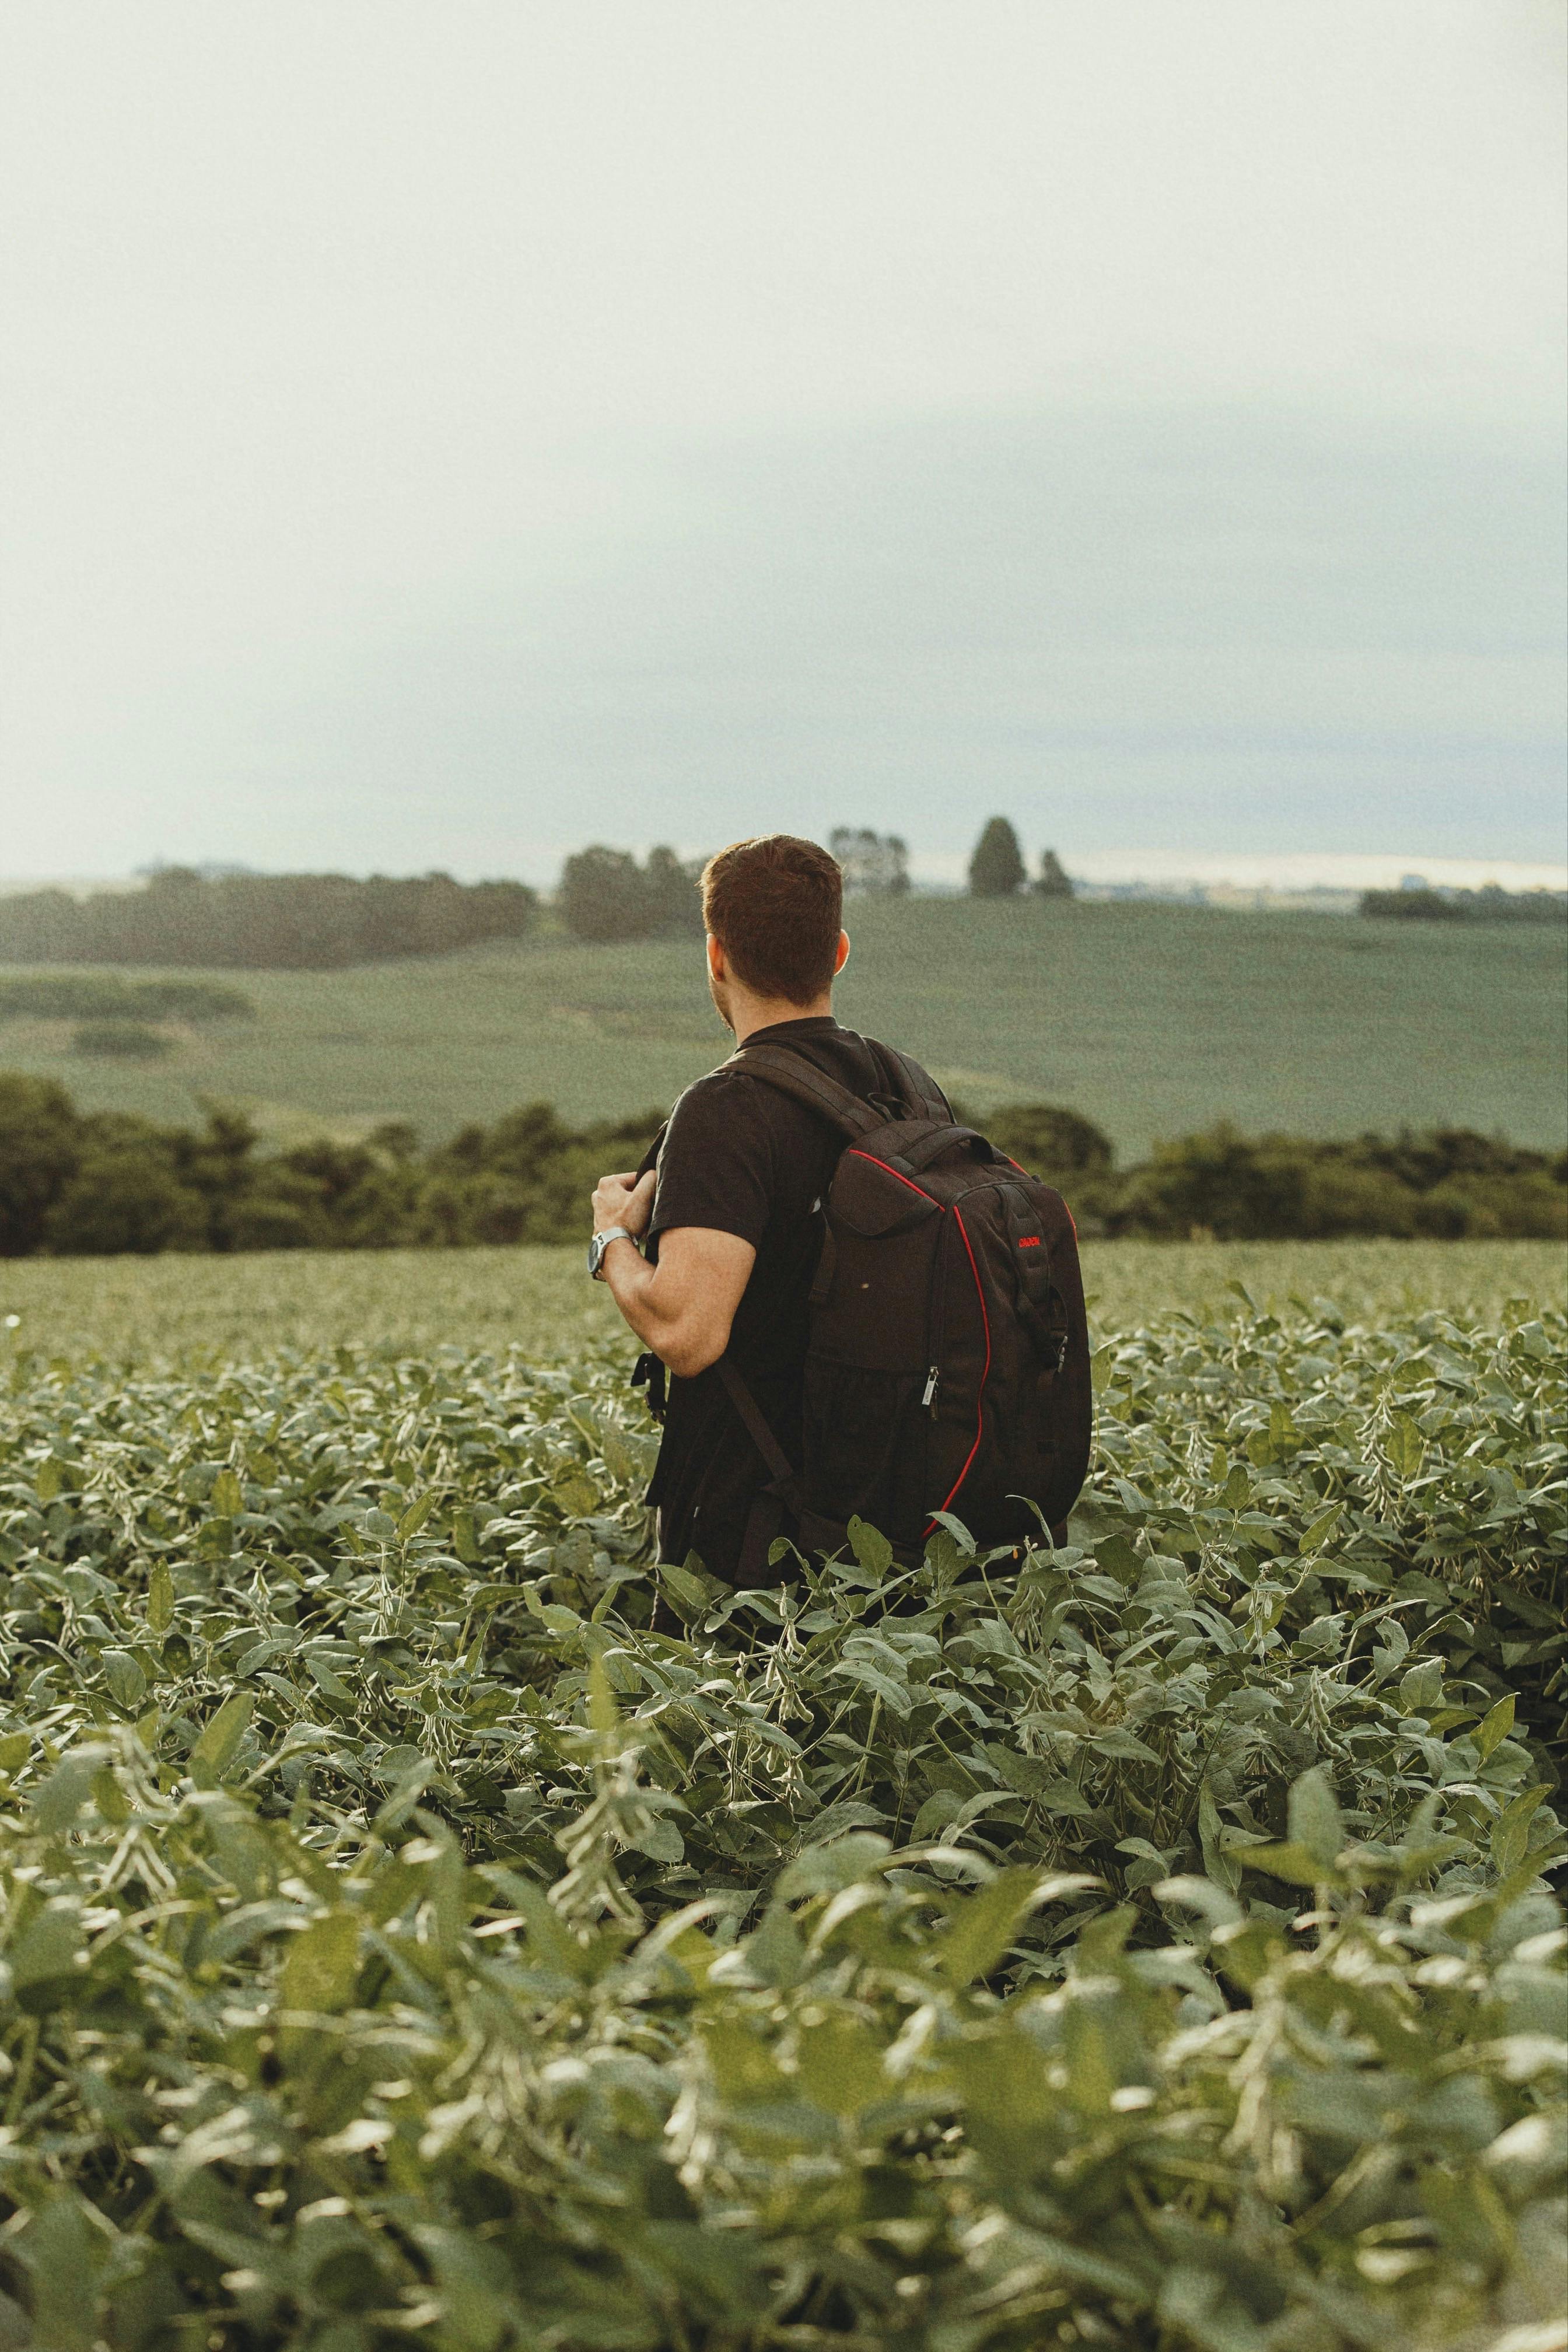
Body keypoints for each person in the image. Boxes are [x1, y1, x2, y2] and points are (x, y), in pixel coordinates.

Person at [587, 832, 950, 1584]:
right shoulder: (906, 1087)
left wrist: (611, 1241)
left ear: (716, 956)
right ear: (839, 952)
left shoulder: (727, 1110)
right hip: (900, 1507)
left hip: (757, 1523)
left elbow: (689, 1334)